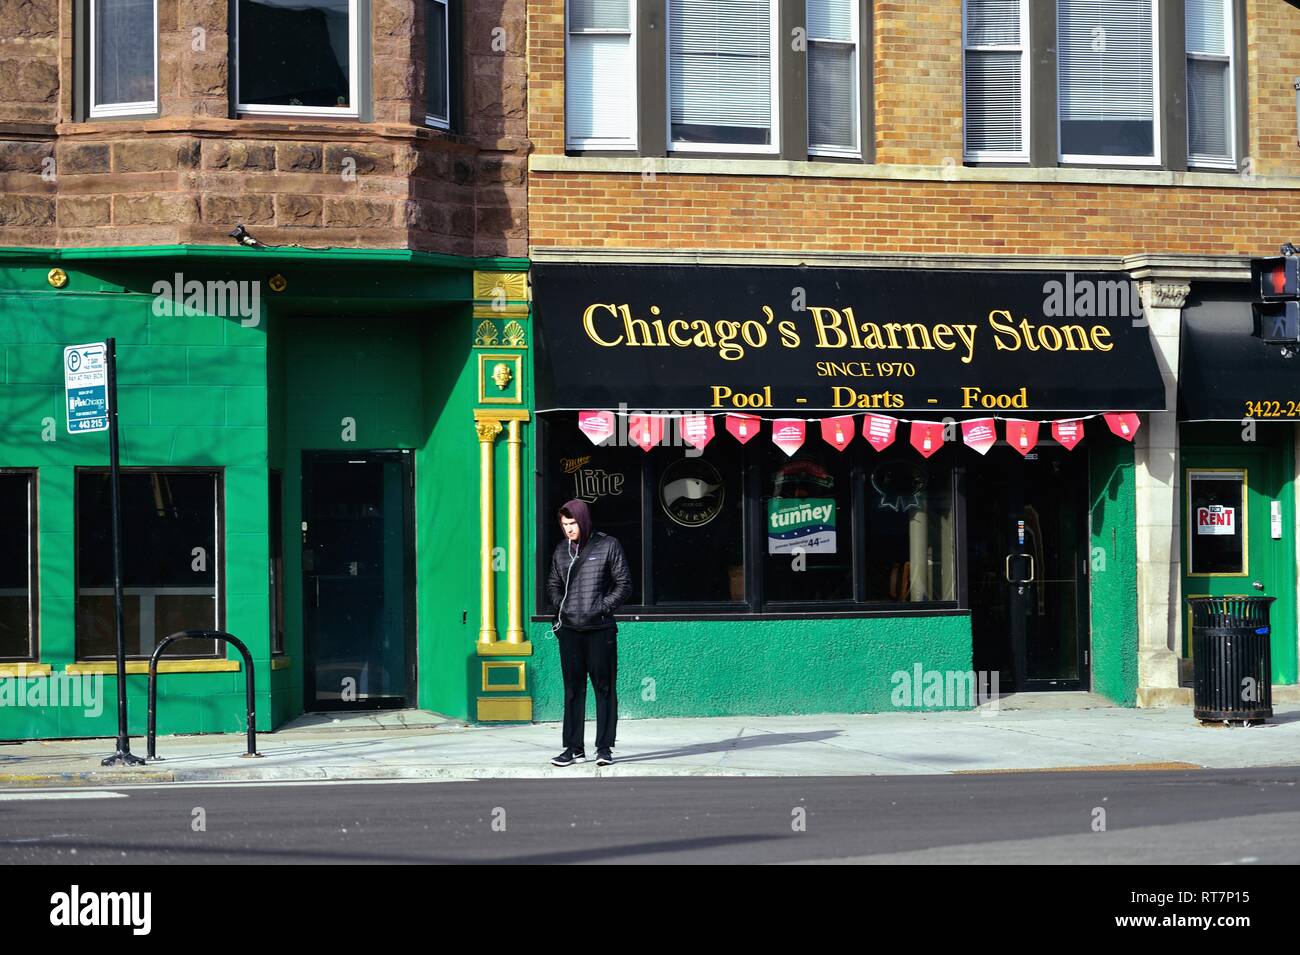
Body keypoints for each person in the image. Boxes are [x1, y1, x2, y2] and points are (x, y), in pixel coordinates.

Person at [546, 499, 631, 767]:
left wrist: (601, 608)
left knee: (604, 689)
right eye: (563, 525)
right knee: (572, 690)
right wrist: (563, 606)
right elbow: (552, 584)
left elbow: (624, 584)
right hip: (570, 630)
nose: (568, 529)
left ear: (582, 520)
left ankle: (604, 748)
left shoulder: (608, 545)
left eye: (572, 523)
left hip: (600, 630)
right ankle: (573, 748)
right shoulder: (561, 550)